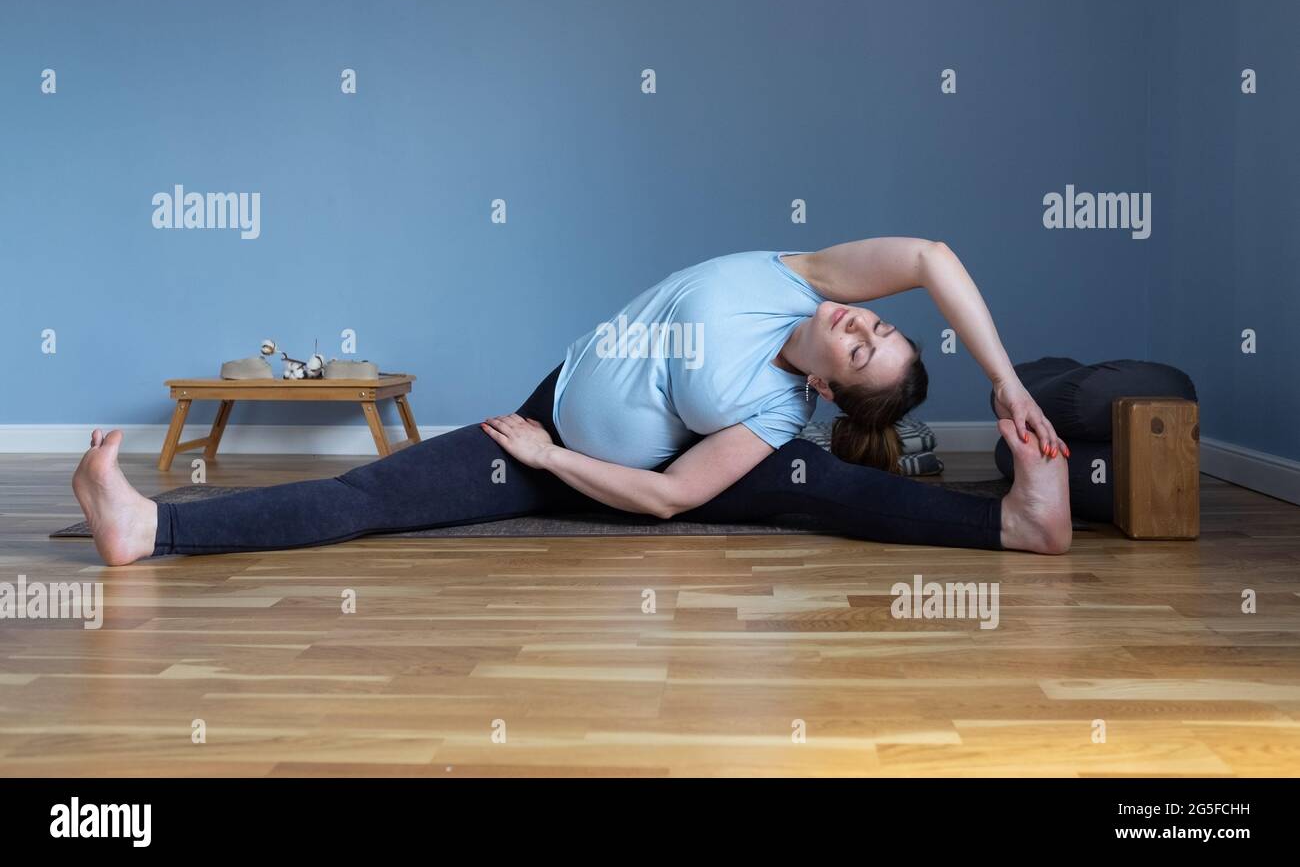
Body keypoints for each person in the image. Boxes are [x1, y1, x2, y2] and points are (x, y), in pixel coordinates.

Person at [72, 238, 1071, 566]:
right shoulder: (791, 271)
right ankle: (149, 528)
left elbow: (674, 497)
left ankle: (1020, 523)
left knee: (810, 483)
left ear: (825, 387)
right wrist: (1007, 379)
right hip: (541, 420)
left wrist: (551, 464)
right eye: (878, 324)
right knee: (366, 494)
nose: (863, 330)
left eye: (867, 352)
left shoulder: (772, 416)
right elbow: (933, 256)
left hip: (581, 471)